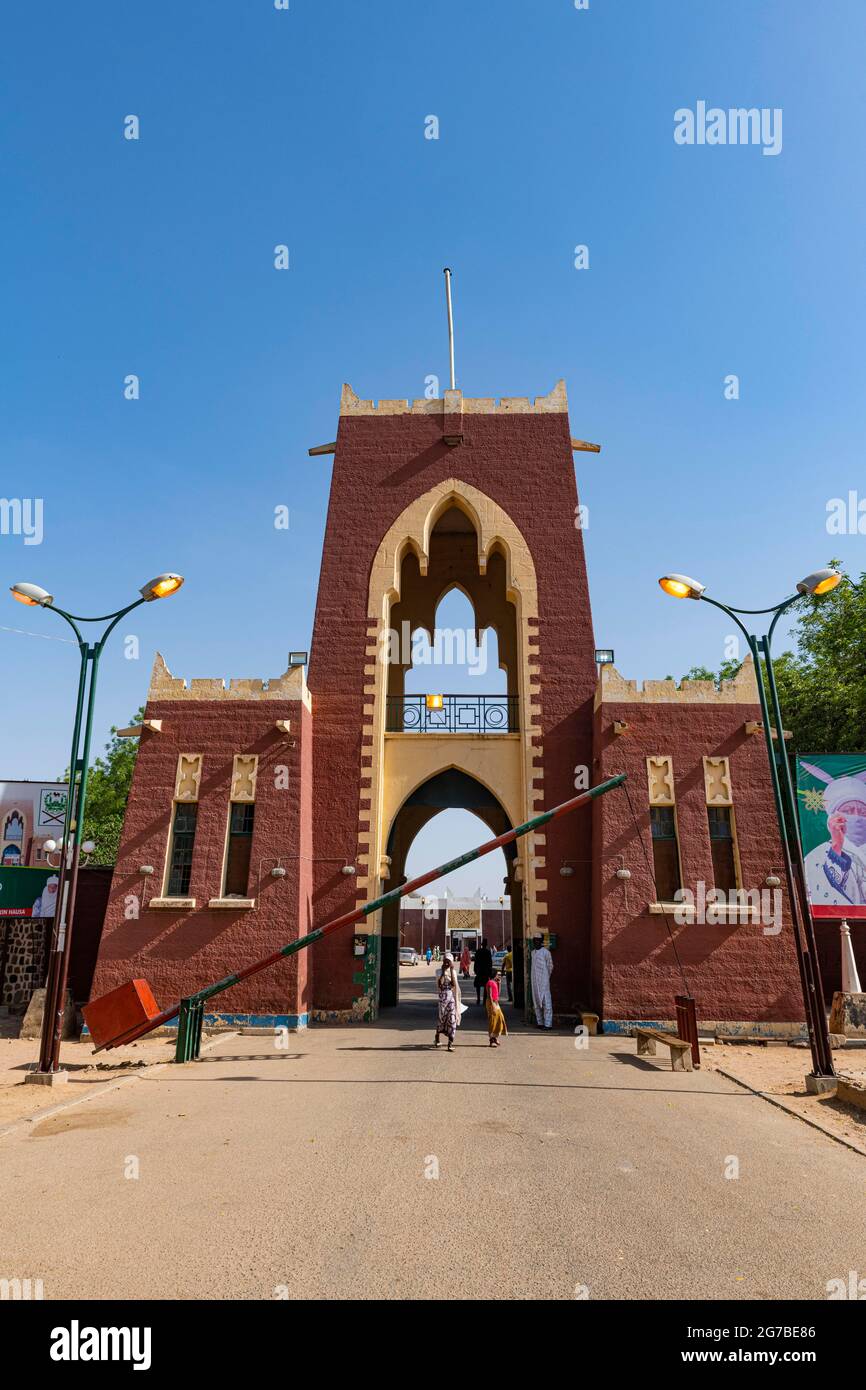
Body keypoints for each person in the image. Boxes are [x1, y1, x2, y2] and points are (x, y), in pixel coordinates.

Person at [804, 775, 866, 911]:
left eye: (862, 812)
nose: (857, 817)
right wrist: (838, 845)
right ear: (833, 817)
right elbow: (821, 889)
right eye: (849, 811)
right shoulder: (818, 855)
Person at [434, 951, 459, 1051]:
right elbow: (440, 985)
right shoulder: (438, 972)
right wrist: (443, 973)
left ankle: (450, 1042)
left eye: (449, 961)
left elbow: (453, 985)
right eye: (445, 961)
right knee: (441, 1019)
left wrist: (451, 972)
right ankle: (437, 1037)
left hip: (451, 998)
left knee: (452, 1019)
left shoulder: (453, 972)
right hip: (442, 998)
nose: (446, 963)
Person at [530, 934, 554, 1029]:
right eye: (535, 940)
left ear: (541, 941)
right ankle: (540, 1023)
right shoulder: (532, 953)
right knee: (536, 1002)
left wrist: (546, 977)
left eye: (538, 940)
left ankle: (548, 1024)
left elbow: (550, 966)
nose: (536, 942)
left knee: (546, 1003)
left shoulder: (546, 952)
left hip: (544, 981)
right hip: (534, 981)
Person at [485, 970, 508, 1047]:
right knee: (493, 1021)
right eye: (498, 975)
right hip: (492, 1003)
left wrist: (499, 983)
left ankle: (495, 1037)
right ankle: (492, 1039)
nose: (499, 976)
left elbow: (498, 993)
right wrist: (493, 1006)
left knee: (500, 1019)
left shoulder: (495, 982)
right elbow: (490, 995)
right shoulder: (490, 983)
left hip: (496, 1003)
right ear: (494, 975)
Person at [473, 937, 493, 1005]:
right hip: (486, 971)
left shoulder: (478, 951)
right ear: (486, 945)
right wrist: (490, 971)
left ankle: (478, 999)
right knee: (485, 986)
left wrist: (475, 969)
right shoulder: (488, 952)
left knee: (478, 985)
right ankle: (484, 1000)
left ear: (482, 944)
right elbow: (490, 962)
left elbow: (476, 961)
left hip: (479, 970)